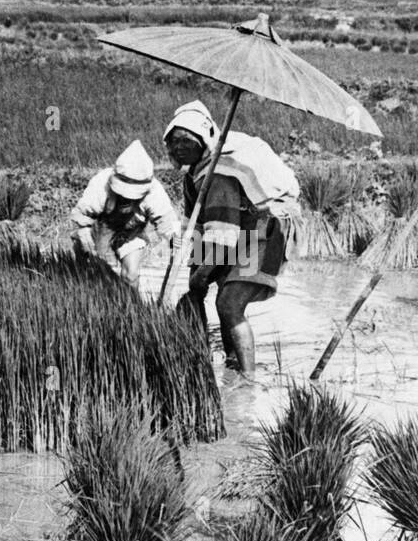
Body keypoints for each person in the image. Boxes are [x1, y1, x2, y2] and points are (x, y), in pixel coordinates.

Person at [163, 100, 296, 375]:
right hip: (240, 233)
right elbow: (196, 229)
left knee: (229, 302)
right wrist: (193, 271)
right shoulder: (194, 176)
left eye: (187, 141)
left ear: (203, 141)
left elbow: (223, 236)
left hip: (263, 233)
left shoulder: (220, 174)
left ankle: (247, 381)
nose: (179, 147)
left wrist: (203, 274)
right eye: (174, 141)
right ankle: (231, 366)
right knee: (212, 290)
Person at [70, 139, 179, 288]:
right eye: (123, 194)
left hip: (130, 232)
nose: (126, 199)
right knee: (90, 275)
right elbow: (81, 217)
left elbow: (168, 222)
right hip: (99, 228)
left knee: (131, 275)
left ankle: (130, 305)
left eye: (132, 197)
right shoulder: (101, 184)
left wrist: (176, 239)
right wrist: (86, 240)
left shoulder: (154, 193)